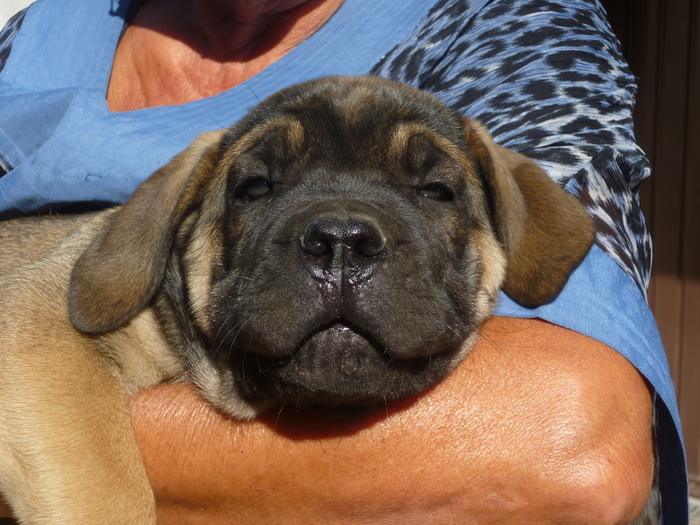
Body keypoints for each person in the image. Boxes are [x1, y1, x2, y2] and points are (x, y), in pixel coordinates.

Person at [0, 0, 686, 523]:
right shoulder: (42, 32)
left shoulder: (504, 23)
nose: (339, 239)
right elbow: (48, 322)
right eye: (259, 186)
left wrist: (68, 444)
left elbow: (571, 444)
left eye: (434, 189)